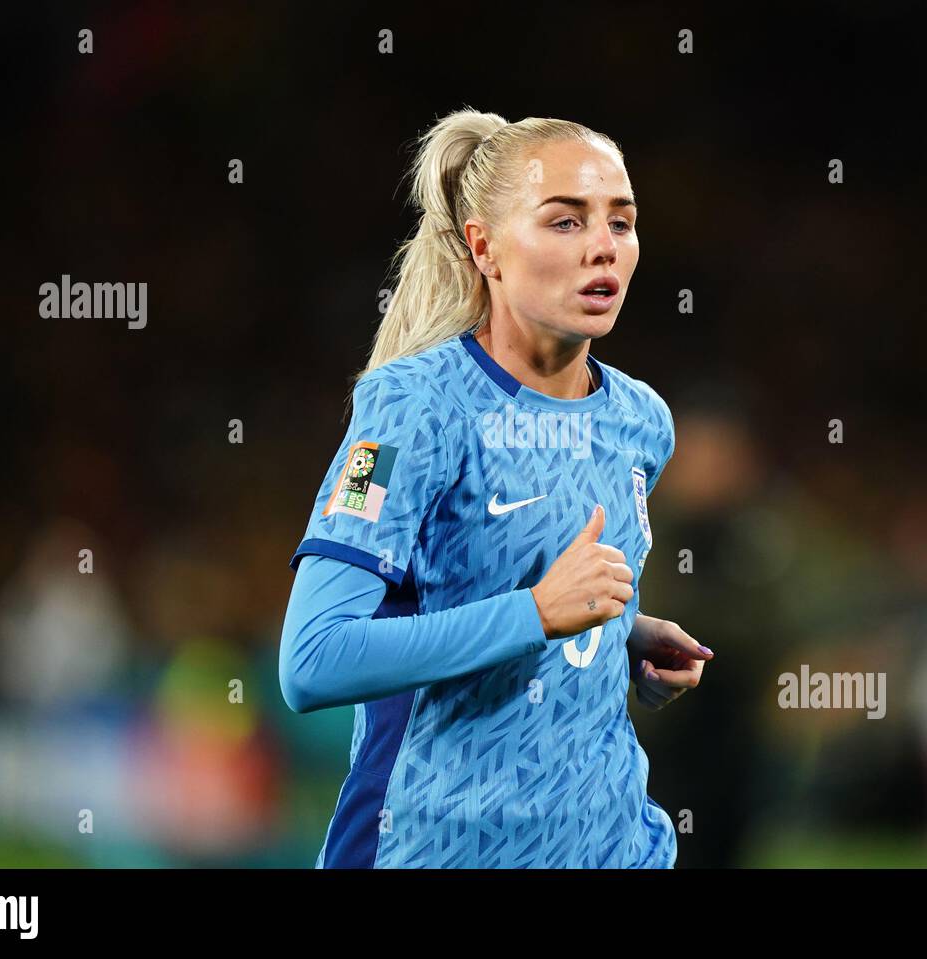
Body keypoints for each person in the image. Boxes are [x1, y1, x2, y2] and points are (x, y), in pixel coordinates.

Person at [279, 108, 712, 868]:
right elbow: (313, 661)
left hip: (614, 846)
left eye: (622, 221)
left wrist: (620, 633)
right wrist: (536, 613)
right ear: (485, 247)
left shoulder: (642, 421)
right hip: (435, 845)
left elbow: (535, 581)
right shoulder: (415, 409)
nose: (603, 247)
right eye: (566, 222)